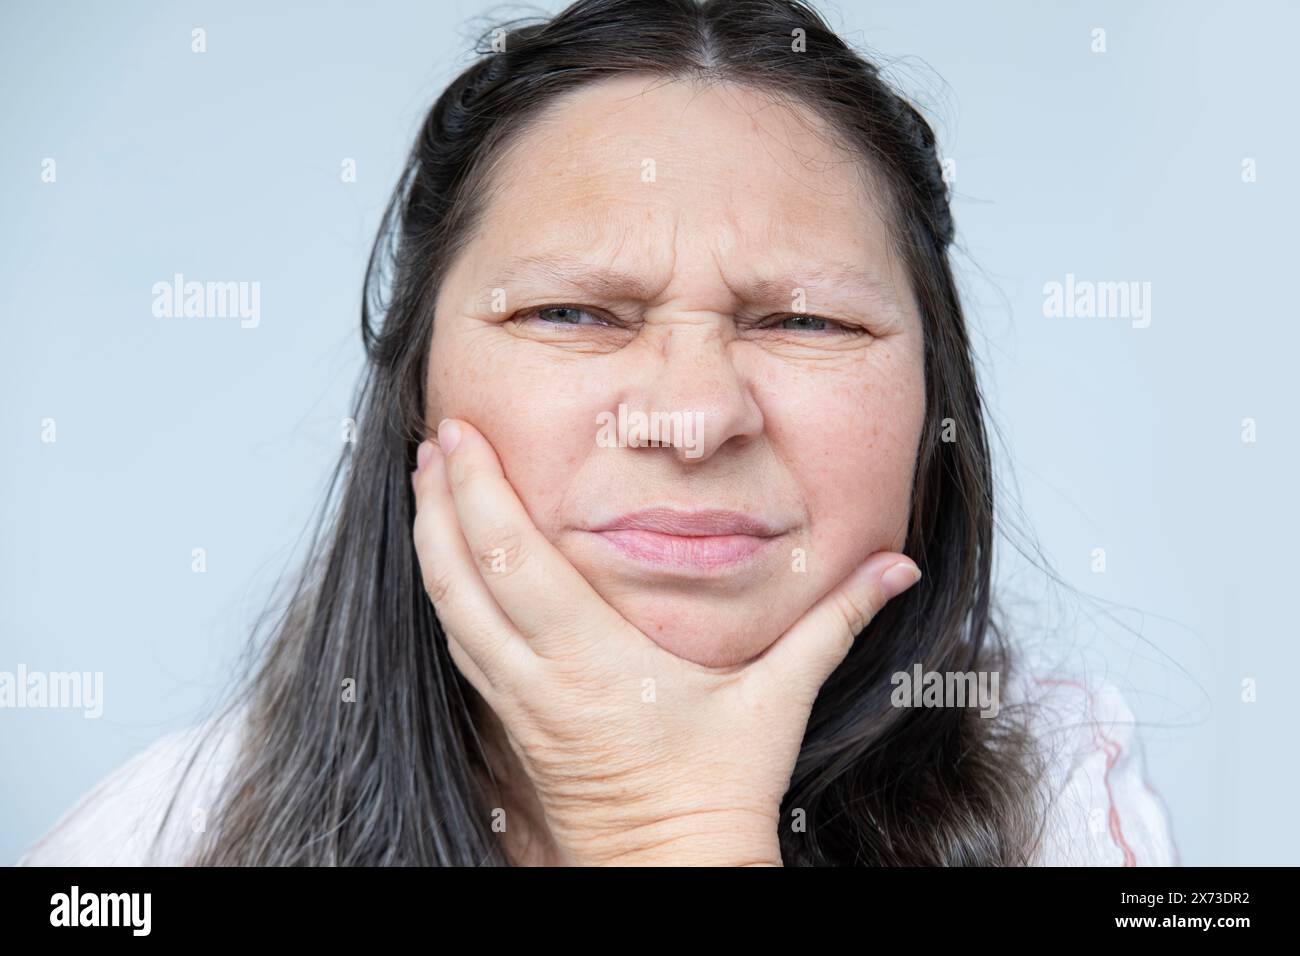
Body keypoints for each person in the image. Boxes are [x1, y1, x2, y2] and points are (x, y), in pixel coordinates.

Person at [17, 0, 1177, 866]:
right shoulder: (149, 843)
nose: (690, 418)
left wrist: (678, 829)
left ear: (939, 407)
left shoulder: (1064, 806)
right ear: (416, 387)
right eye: (570, 312)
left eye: (805, 318)